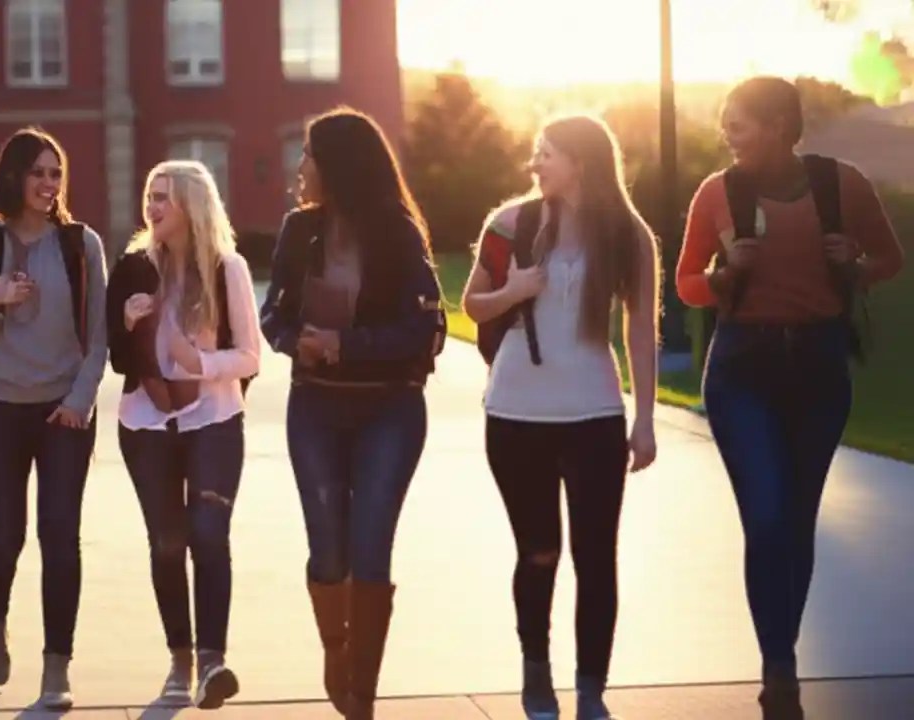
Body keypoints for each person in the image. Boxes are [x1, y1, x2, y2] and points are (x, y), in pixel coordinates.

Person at [677, 76, 903, 720]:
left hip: (819, 368)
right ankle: (779, 665)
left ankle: (782, 657)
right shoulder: (717, 192)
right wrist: (725, 276)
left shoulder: (842, 185)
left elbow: (890, 258)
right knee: (769, 514)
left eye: (738, 122)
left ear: (779, 124)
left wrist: (855, 262)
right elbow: (688, 282)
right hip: (742, 369)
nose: (727, 134)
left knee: (797, 519)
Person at [462, 114, 660, 720]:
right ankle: (535, 673)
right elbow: (472, 303)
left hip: (595, 414)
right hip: (516, 413)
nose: (535, 164)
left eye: (545, 153)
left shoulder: (629, 234)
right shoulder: (509, 224)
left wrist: (645, 419)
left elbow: (640, 331)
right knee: (539, 551)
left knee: (597, 557)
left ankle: (592, 689)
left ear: (581, 160)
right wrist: (515, 290)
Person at [260, 107, 447, 720]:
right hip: (315, 406)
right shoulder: (297, 229)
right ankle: (336, 649)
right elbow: (273, 316)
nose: (300, 167)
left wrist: (347, 345)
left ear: (337, 164)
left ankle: (362, 695)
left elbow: (424, 328)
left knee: (370, 550)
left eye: (309, 155)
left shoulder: (398, 231)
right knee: (328, 551)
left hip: (389, 409)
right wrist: (297, 341)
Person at [0, 127, 109, 711]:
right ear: (12, 176)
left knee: (60, 536)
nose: (48, 183)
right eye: (37, 172)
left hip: (63, 411)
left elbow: (99, 338)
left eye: (55, 173)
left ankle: (57, 668)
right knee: (4, 535)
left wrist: (80, 402)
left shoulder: (80, 245)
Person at [106, 160, 260, 709]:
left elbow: (251, 356)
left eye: (164, 197)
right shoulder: (131, 269)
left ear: (191, 205)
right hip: (146, 422)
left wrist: (199, 361)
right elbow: (115, 357)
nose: (153, 207)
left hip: (214, 418)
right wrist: (125, 324)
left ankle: (213, 661)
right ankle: (180, 658)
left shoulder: (227, 268)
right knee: (168, 543)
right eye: (150, 196)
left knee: (209, 534)